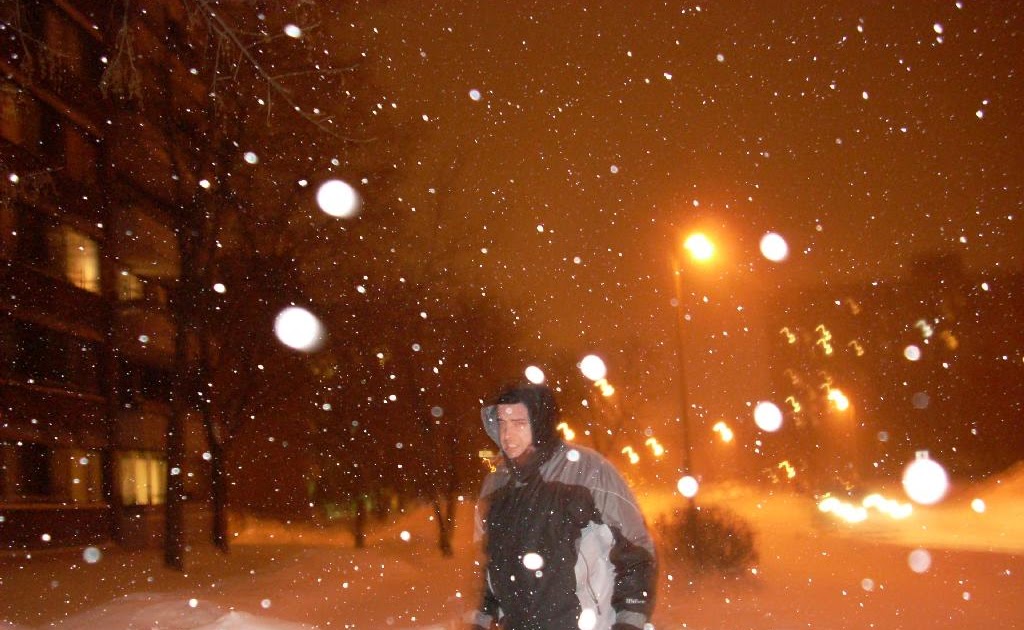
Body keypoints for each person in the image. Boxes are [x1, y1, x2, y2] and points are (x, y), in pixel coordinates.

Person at [470, 382, 656, 629]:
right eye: (503, 422)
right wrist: (482, 620)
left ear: (540, 424)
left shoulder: (589, 471)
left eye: (519, 423)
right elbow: (492, 566)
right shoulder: (495, 484)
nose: (507, 434)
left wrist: (629, 621)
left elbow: (636, 552)